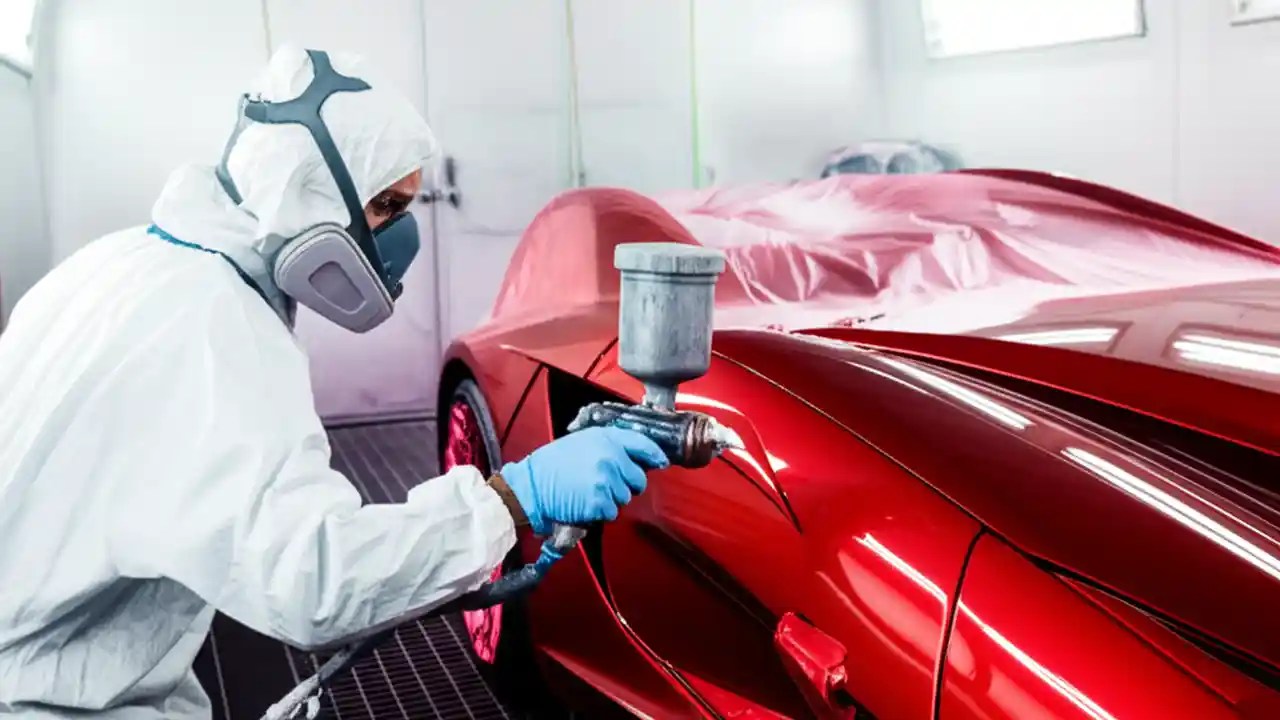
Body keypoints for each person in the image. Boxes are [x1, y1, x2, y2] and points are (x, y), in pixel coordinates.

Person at [0, 46, 666, 718]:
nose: (400, 236)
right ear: (308, 196)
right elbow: (316, 581)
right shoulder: (213, 326)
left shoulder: (116, 264)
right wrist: (514, 498)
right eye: (387, 207)